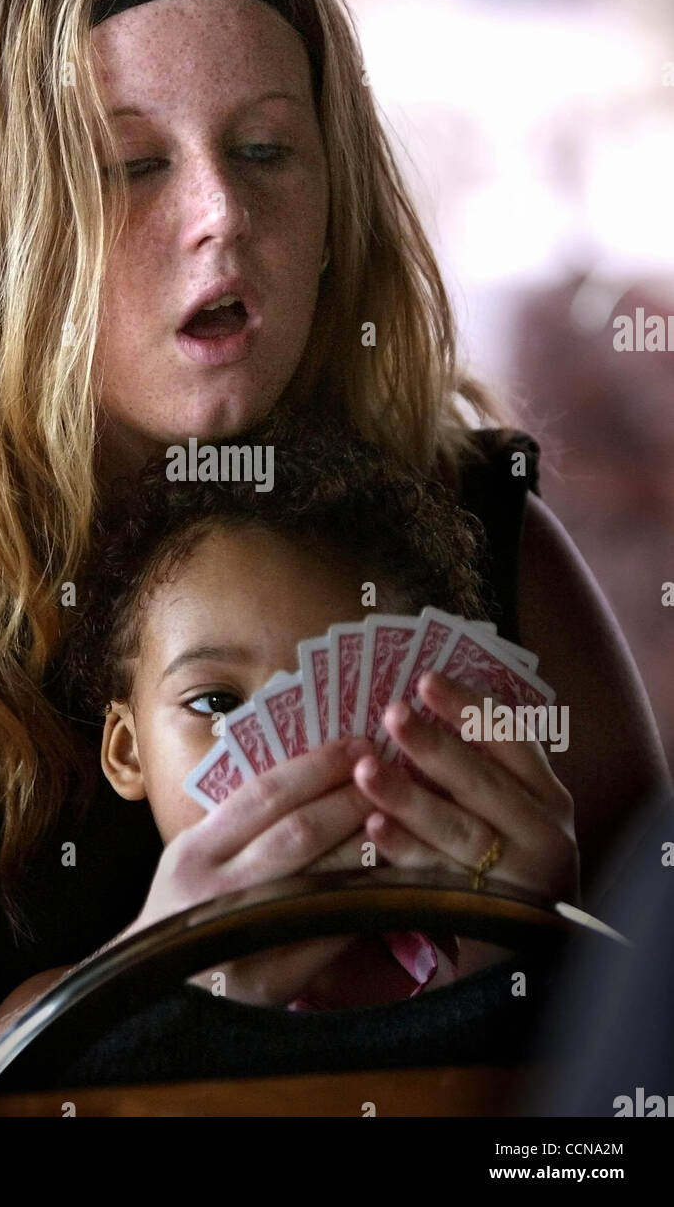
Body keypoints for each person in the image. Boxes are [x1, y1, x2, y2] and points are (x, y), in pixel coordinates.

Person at [0, 0, 667, 1108]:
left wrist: (552, 954)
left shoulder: (474, 528)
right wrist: (139, 998)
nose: (220, 214)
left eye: (265, 149)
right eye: (133, 165)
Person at [65, 409, 574, 1012]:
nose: (293, 754)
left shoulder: (493, 972)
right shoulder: (67, 1019)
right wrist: (160, 992)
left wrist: (524, 963)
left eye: (347, 709)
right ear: (126, 751)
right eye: (216, 703)